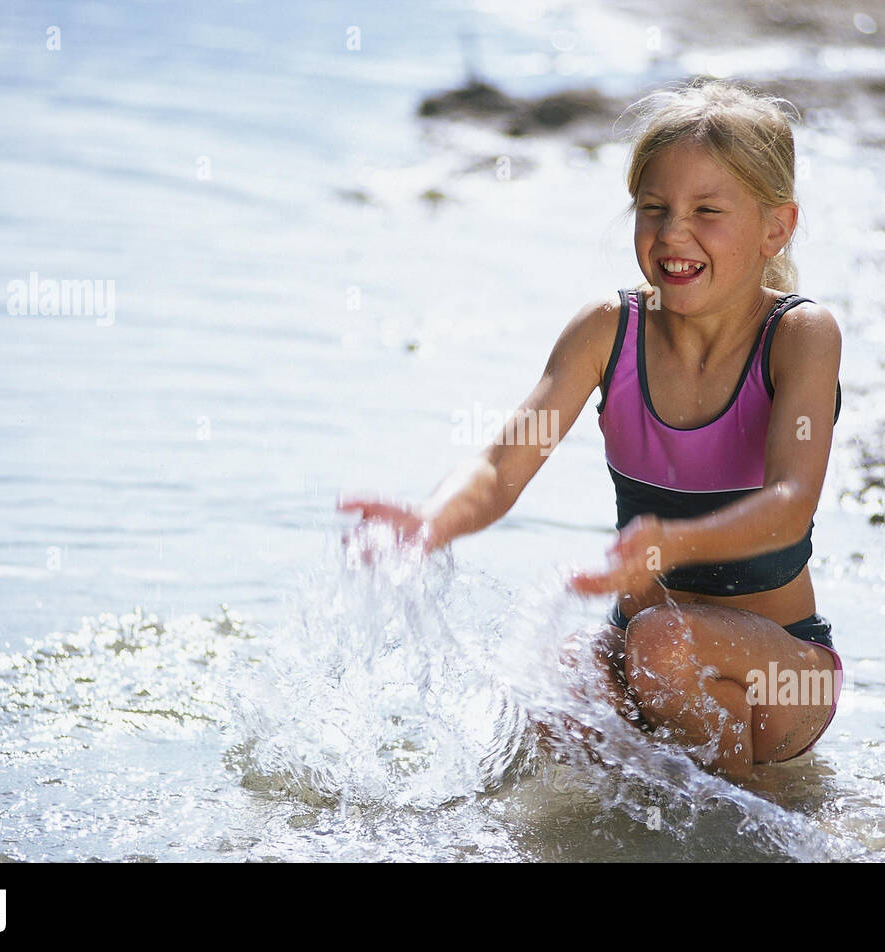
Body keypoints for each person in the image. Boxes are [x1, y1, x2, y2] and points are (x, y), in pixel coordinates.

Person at [338, 79, 843, 781]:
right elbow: (500, 466)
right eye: (655, 208)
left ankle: (747, 827)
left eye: (707, 211)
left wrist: (670, 544)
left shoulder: (800, 335)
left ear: (775, 228)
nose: (673, 233)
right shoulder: (606, 332)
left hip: (786, 678)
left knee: (664, 641)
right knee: (547, 696)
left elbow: (790, 507)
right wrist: (433, 520)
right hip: (641, 650)